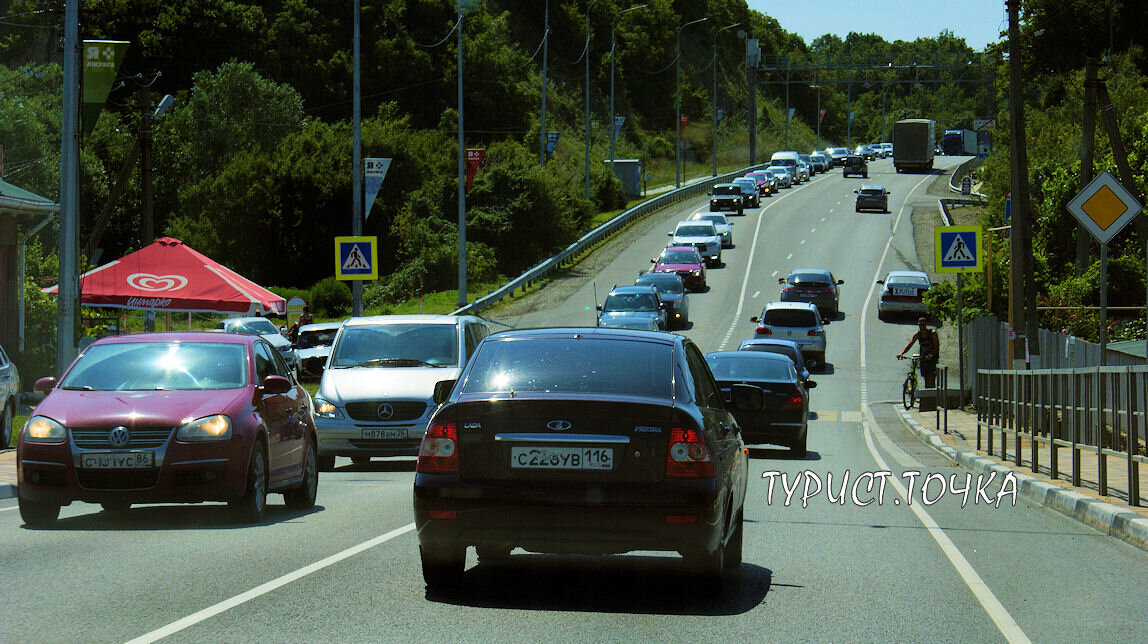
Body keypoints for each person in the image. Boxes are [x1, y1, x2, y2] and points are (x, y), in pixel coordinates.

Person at [897, 317, 940, 388]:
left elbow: (936, 347)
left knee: (931, 378)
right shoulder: (918, 334)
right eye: (920, 325)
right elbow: (910, 344)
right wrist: (901, 353)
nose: (921, 326)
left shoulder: (932, 333)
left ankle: (932, 395)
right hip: (923, 357)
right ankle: (926, 396)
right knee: (926, 377)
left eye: (923, 324)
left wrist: (930, 355)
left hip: (932, 358)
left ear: (926, 324)